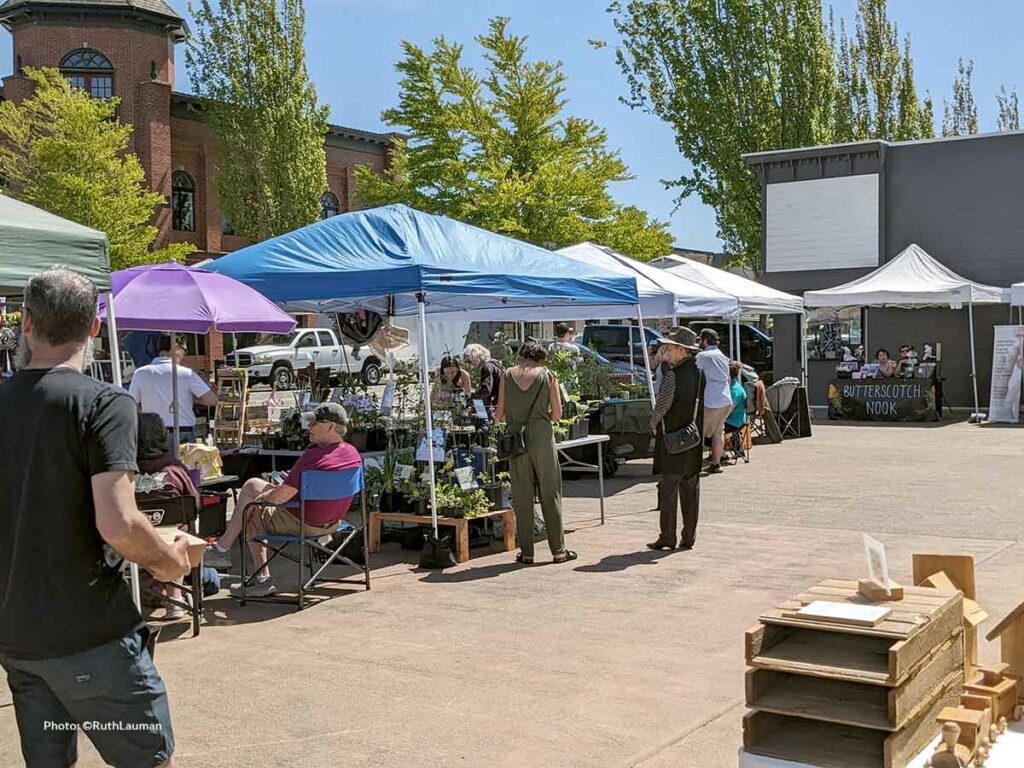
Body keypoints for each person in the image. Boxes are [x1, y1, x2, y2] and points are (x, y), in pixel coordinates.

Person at [0, 267, 190, 767]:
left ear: (25, 323)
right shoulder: (105, 403)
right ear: (94, 328)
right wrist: (166, 562)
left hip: (18, 635)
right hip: (89, 634)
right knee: (147, 760)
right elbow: (120, 523)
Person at [204, 403, 361, 597]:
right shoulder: (352, 454)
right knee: (253, 485)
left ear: (331, 426)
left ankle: (257, 575)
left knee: (252, 509)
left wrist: (265, 497)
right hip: (332, 523)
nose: (309, 427)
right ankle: (223, 548)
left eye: (315, 423)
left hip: (303, 522)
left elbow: (280, 498)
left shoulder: (313, 457)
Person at [496, 340, 576, 564]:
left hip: (515, 437)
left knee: (522, 495)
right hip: (541, 434)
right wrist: (541, 417)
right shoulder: (548, 376)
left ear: (521, 356)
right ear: (541, 358)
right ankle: (558, 551)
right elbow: (558, 414)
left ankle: (527, 553)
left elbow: (499, 413)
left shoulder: (506, 375)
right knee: (550, 491)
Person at [136, 412, 203, 621]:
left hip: (135, 539)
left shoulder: (124, 470)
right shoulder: (175, 468)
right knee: (184, 533)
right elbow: (195, 502)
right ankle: (177, 598)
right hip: (174, 539)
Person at [647, 327, 704, 551]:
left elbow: (663, 405)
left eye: (670, 348)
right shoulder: (699, 373)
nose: (666, 351)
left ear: (682, 350)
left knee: (669, 490)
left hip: (673, 438)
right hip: (693, 437)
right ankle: (689, 536)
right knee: (691, 489)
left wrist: (652, 422)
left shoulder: (673, 375)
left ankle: (667, 536)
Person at [129, 334, 218, 444]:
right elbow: (212, 400)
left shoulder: (140, 374)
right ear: (175, 348)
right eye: (184, 350)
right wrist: (191, 398)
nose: (184, 355)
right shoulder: (186, 374)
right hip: (182, 433)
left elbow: (131, 404)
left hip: (151, 432)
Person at [695, 328, 732, 474]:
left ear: (705, 340)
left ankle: (694, 465)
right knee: (718, 431)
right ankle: (716, 463)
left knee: (698, 432)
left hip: (711, 399)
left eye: (700, 340)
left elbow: (694, 374)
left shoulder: (702, 356)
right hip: (725, 397)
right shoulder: (722, 356)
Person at [463, 343, 504, 410]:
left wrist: (472, 396)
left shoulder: (487, 367)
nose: (470, 364)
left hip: (496, 404)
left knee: (478, 414)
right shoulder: (494, 364)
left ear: (476, 356)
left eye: (469, 361)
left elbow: (486, 390)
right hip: (500, 401)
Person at [724, 362, 748, 458]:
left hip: (735, 421)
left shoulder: (735, 390)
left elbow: (728, 410)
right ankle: (738, 450)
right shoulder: (733, 386)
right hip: (736, 419)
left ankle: (721, 455)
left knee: (711, 430)